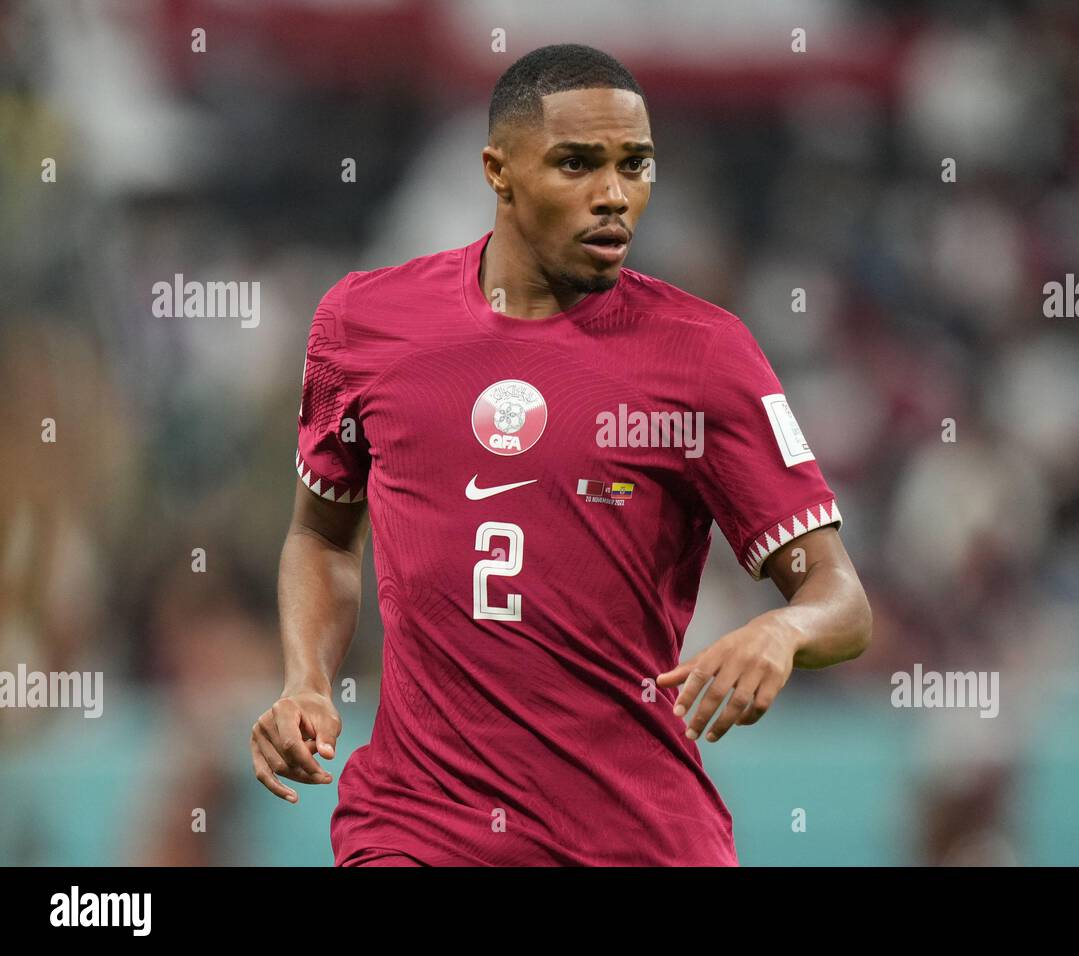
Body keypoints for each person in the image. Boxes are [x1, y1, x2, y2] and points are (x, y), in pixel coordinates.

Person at [250, 43, 872, 866]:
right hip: (418, 826)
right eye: (576, 164)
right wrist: (306, 681)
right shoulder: (363, 325)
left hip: (633, 835)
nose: (613, 195)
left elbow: (843, 600)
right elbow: (323, 535)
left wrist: (784, 631)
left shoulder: (705, 356)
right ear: (498, 172)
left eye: (634, 165)